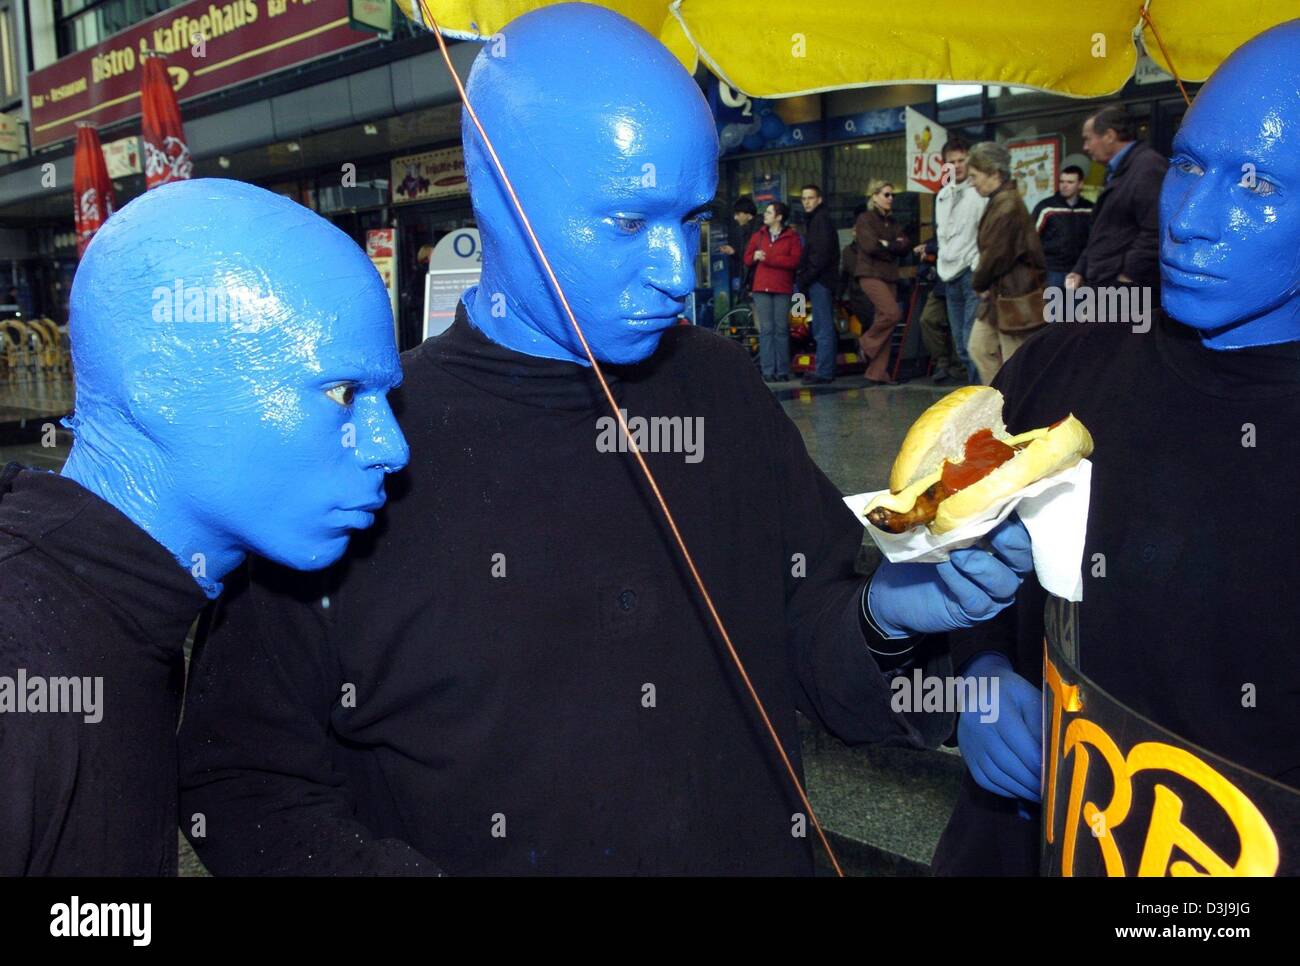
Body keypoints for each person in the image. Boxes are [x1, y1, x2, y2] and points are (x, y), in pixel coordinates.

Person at [178, 4, 1035, 877]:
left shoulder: (721, 387)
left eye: (693, 219)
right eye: (628, 223)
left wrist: (885, 619)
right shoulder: (357, 448)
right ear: (495, 190)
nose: (678, 276)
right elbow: (241, 781)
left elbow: (814, 645)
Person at [932, 21, 1300, 875]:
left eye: (1260, 189)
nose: (1195, 221)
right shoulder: (1071, 353)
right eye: (1192, 167)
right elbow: (942, 545)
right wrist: (976, 673)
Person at [0, 179, 409, 875]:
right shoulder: (25, 660)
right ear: (164, 384)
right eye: (343, 393)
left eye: (385, 397)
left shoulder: (116, 615)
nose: (391, 446)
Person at [964, 141, 1048, 384]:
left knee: (1013, 362)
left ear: (994, 173)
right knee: (980, 348)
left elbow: (996, 256)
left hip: (1013, 295)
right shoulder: (1002, 201)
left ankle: (1008, 407)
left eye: (975, 176)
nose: (972, 182)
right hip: (1001, 295)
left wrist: (978, 282)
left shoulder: (1007, 205)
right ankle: (1002, 402)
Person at [1065, 105, 1168, 292]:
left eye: (1088, 139)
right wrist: (1081, 268)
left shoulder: (1148, 167)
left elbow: (1155, 231)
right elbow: (1105, 230)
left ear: (1110, 136)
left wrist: (1127, 277)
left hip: (1125, 289)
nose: (1085, 147)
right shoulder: (1118, 171)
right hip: (1107, 283)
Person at [934, 137, 987, 382]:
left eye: (960, 160)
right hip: (949, 274)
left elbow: (985, 233)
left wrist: (978, 266)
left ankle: (983, 397)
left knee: (970, 344)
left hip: (971, 272)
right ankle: (978, 393)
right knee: (961, 346)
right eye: (951, 162)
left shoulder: (980, 193)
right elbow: (942, 234)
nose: (956, 165)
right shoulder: (942, 196)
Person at [852, 179, 910, 385]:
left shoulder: (892, 222)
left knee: (886, 320)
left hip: (889, 275)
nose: (890, 198)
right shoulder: (865, 219)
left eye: (892, 195)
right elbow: (870, 246)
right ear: (874, 196)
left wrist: (888, 245)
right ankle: (866, 343)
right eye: (886, 194)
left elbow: (905, 245)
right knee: (892, 313)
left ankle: (876, 372)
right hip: (870, 273)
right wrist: (890, 247)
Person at [744, 200, 803, 383]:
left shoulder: (791, 237)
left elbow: (794, 261)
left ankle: (783, 370)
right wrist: (754, 256)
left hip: (782, 287)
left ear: (779, 217)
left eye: (769, 212)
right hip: (761, 287)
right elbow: (746, 259)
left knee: (781, 329)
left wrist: (768, 258)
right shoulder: (758, 236)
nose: (765, 215)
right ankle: (768, 370)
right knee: (766, 329)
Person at [796, 184, 841, 385]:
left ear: (819, 199)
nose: (807, 202)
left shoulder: (820, 221)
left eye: (810, 198)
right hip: (820, 280)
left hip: (820, 280)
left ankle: (824, 371)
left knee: (822, 328)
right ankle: (824, 369)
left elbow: (819, 255)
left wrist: (805, 277)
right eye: (804, 198)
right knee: (821, 326)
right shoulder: (817, 220)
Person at [1031, 165, 1092, 292]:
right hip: (1053, 270)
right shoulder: (1046, 207)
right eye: (1062, 181)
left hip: (1077, 271)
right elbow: (1031, 239)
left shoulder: (1089, 208)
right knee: (1053, 310)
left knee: (1074, 309)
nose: (1064, 185)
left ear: (1080, 184)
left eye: (1070, 182)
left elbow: (1094, 240)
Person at [915, 236, 965, 384]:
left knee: (957, 326)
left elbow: (957, 248)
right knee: (927, 319)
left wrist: (929, 249)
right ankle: (942, 361)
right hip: (941, 285)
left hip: (960, 281)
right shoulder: (941, 231)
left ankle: (958, 368)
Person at [718, 195, 758, 298]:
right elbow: (746, 256)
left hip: (757, 280)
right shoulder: (745, 230)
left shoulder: (757, 232)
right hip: (751, 280)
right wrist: (733, 252)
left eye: (738, 214)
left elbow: (750, 258)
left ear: (748, 215)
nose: (735, 218)